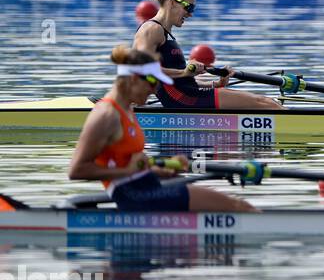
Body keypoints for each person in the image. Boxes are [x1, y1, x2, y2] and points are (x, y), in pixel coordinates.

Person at [68, 46, 257, 212]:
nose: (155, 90)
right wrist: (128, 171)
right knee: (240, 207)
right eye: (153, 82)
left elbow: (128, 163)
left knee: (237, 207)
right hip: (138, 198)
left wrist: (160, 167)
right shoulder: (106, 115)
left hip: (148, 188)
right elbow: (76, 170)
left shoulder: (127, 109)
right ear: (134, 78)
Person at [132, 0, 282, 110]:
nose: (190, 14)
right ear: (172, 3)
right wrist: (184, 72)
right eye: (189, 7)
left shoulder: (166, 33)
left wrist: (215, 84)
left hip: (187, 95)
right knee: (267, 104)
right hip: (182, 100)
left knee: (268, 101)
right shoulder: (152, 29)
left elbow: (180, 82)